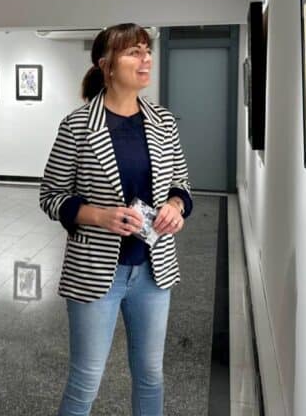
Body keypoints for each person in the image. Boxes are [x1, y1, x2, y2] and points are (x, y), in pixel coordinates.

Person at [40, 23, 193, 416]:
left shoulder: (164, 121)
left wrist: (176, 206)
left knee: (151, 375)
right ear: (106, 66)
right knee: (86, 379)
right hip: (96, 271)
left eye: (147, 50)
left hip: (153, 271)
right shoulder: (77, 125)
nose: (145, 59)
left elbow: (181, 184)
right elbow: (51, 195)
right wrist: (98, 215)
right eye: (133, 52)